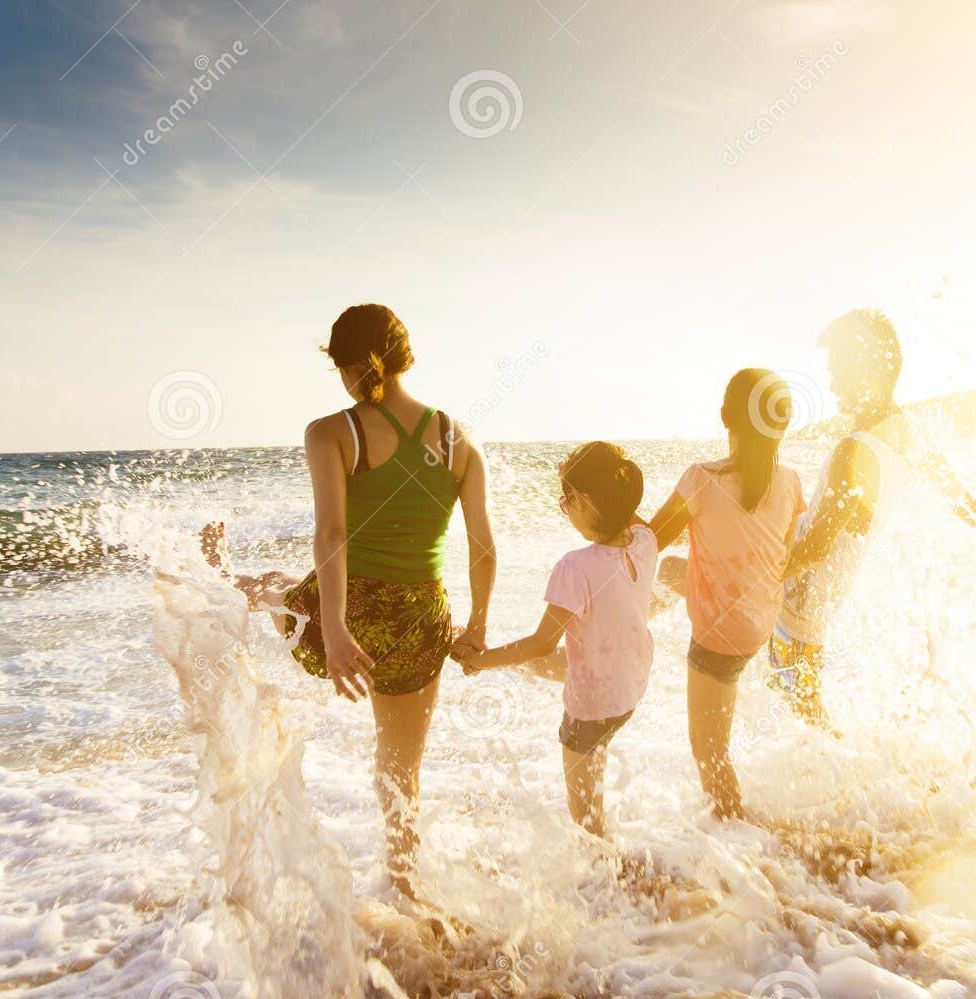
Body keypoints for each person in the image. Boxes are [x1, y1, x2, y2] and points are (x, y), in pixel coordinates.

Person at [201, 303, 496, 901]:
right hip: (423, 618)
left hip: (355, 607)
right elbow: (484, 546)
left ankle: (225, 576)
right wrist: (478, 624)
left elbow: (332, 535)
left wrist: (334, 628)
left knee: (279, 591)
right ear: (403, 357)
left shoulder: (332, 432)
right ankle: (406, 889)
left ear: (348, 365)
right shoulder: (459, 438)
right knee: (400, 769)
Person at [772, 308, 976, 728]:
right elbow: (958, 496)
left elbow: (818, 544)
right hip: (824, 600)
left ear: (864, 368)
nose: (831, 383)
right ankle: (845, 782)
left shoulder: (855, 448)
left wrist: (754, 579)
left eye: (838, 370)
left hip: (800, 599)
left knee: (800, 704)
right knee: (803, 704)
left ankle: (848, 785)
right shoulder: (907, 434)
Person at [451, 442, 654, 841]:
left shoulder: (574, 567)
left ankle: (609, 886)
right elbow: (628, 515)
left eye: (567, 501)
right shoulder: (645, 541)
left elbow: (542, 643)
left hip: (591, 707)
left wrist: (481, 661)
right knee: (558, 671)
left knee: (586, 822)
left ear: (583, 500)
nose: (566, 510)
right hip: (628, 690)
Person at [649, 370, 805, 821]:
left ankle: (738, 831)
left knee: (708, 751)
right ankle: (640, 623)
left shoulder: (702, 478)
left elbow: (651, 538)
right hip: (758, 623)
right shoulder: (791, 481)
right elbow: (773, 546)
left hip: (719, 639)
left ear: (724, 418)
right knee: (674, 571)